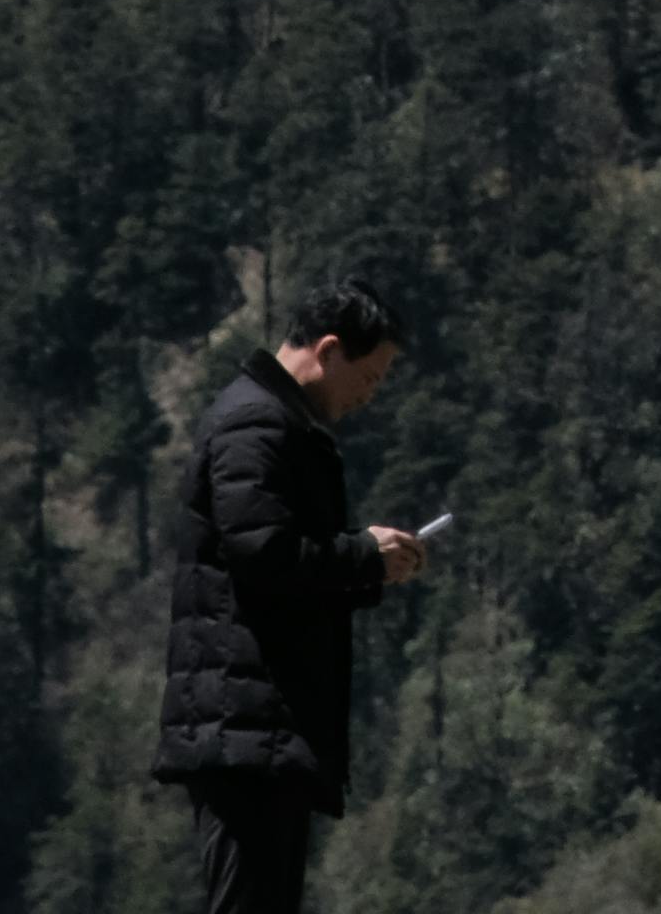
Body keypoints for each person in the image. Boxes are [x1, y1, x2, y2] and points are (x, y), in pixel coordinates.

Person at [158, 289, 429, 914]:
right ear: (329, 351)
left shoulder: (277, 424)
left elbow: (282, 565)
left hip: (261, 726)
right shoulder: (255, 424)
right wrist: (362, 556)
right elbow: (263, 556)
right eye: (368, 376)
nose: (370, 394)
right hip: (241, 725)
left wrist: (370, 568)